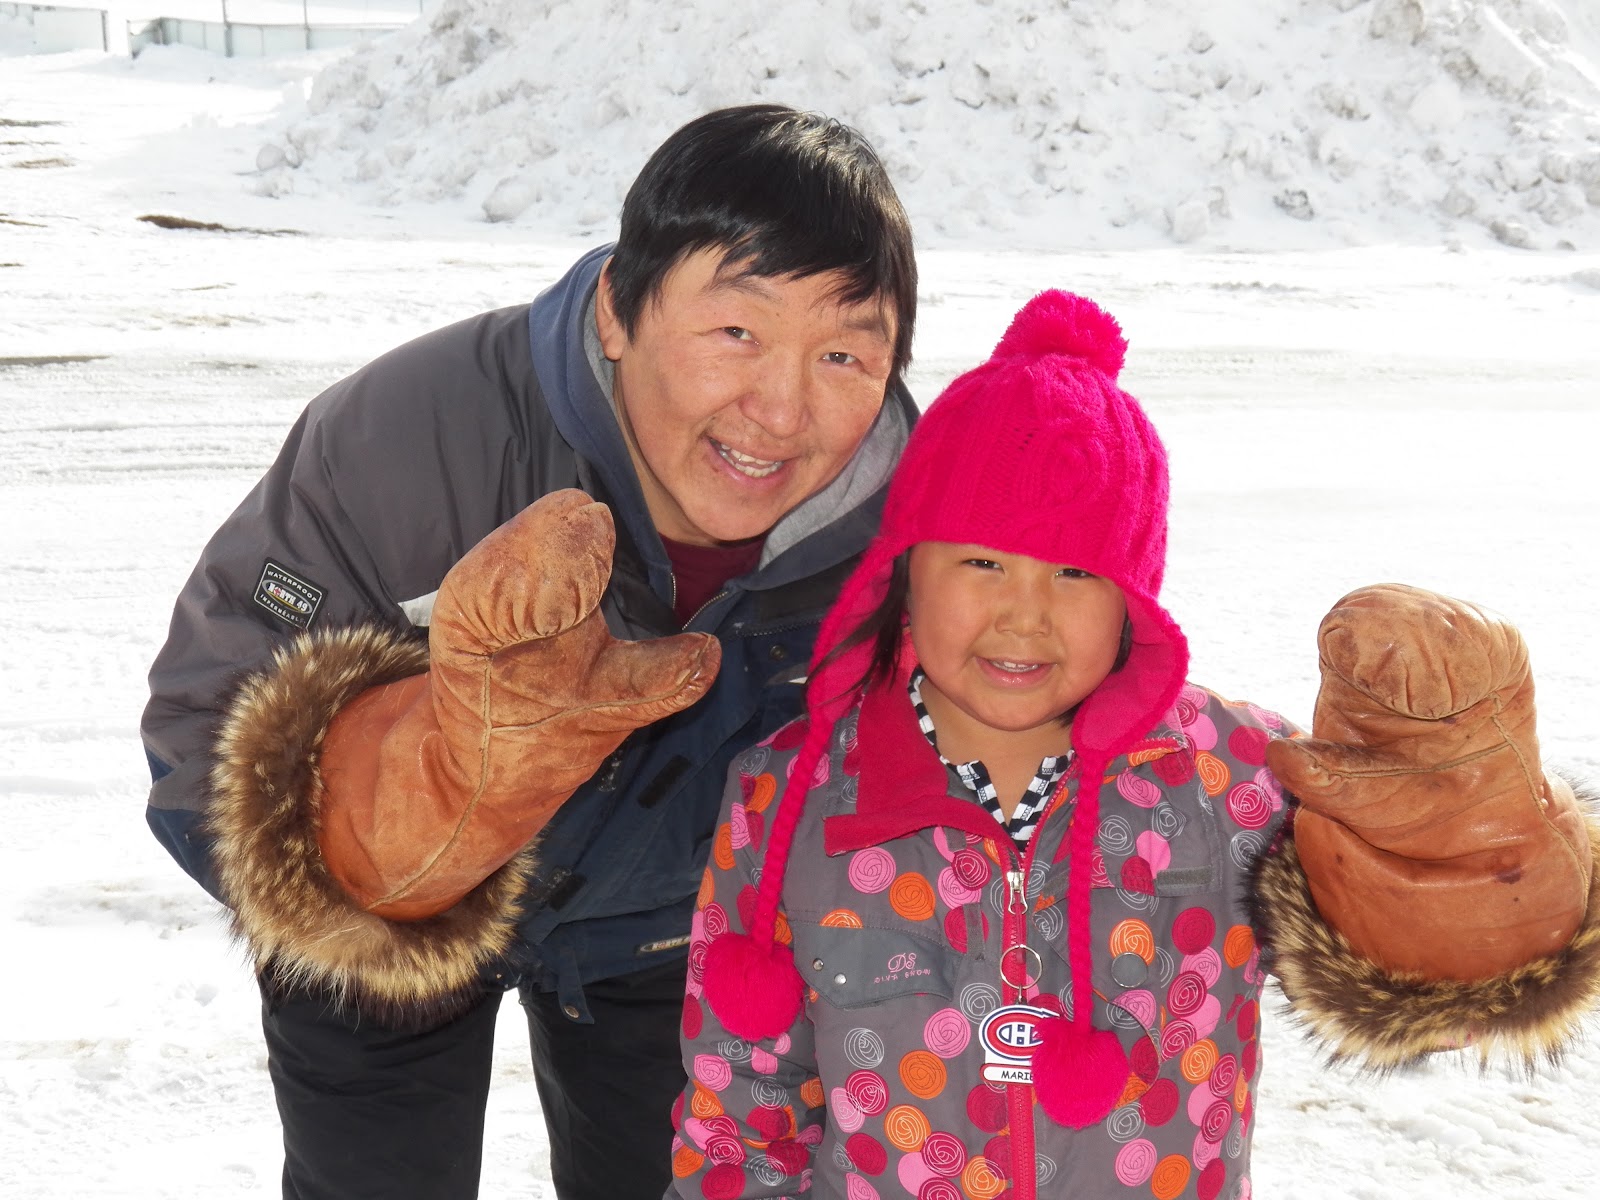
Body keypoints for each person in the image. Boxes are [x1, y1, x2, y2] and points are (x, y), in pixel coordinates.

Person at [140, 104, 918, 1200]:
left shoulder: (906, 534)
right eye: (735, 332)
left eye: (843, 350)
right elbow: (210, 709)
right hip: (383, 939)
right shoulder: (415, 435)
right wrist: (385, 835)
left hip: (667, 933)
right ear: (617, 313)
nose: (780, 410)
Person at [672, 290, 1598, 1199]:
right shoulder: (793, 795)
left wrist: (1484, 887)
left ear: (1133, 600)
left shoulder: (1237, 781)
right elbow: (737, 1118)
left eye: (1076, 572)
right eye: (982, 560)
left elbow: (1425, 986)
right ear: (905, 568)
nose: (1023, 614)